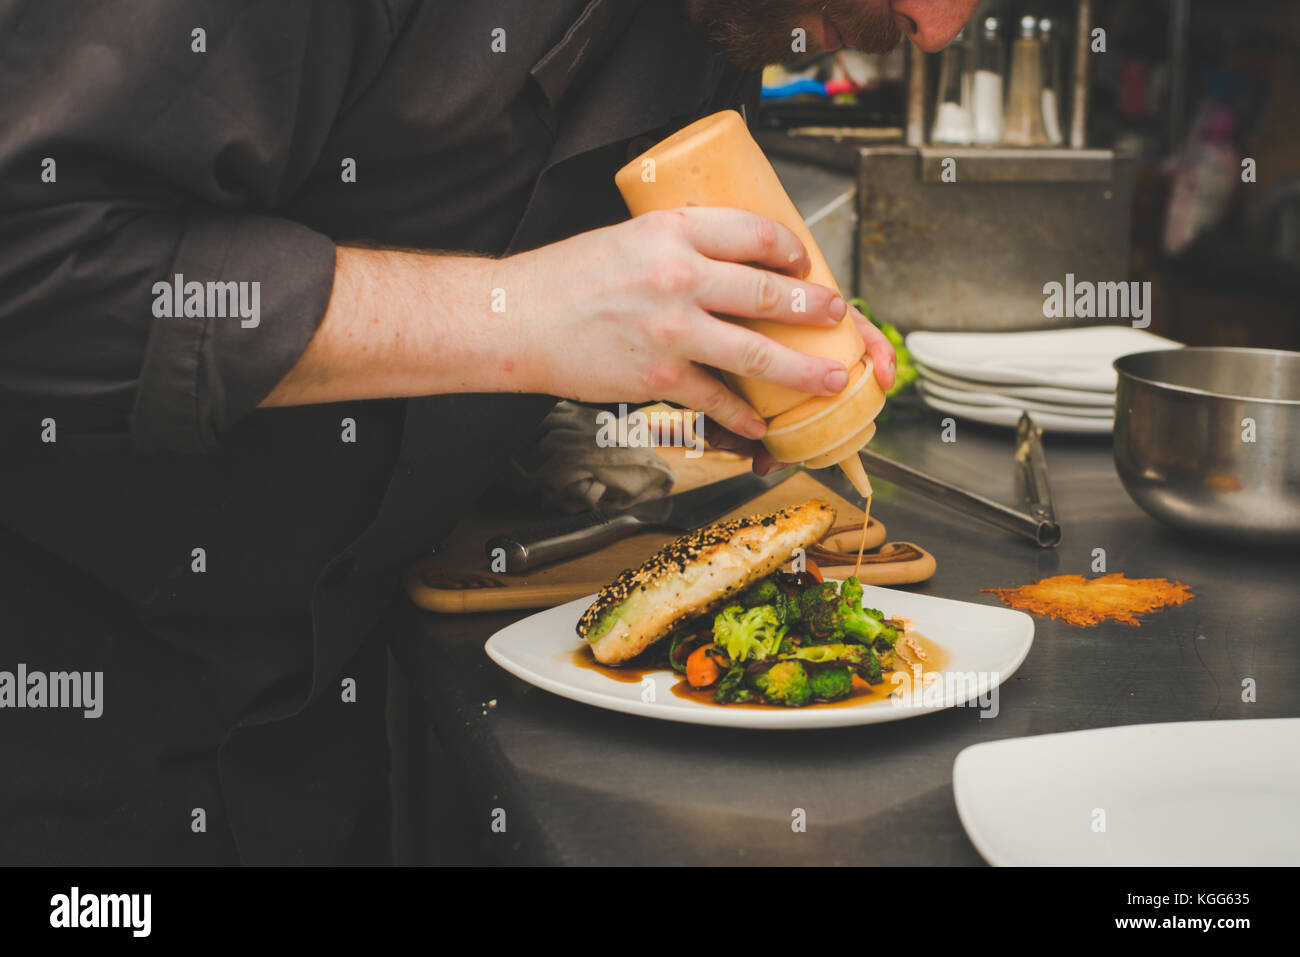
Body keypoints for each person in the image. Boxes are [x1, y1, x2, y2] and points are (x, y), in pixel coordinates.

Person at [0, 0, 978, 864]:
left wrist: (686, 356)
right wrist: (513, 318)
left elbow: (512, 279)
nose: (940, 26)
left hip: (309, 719)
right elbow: (35, 259)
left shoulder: (726, 22)